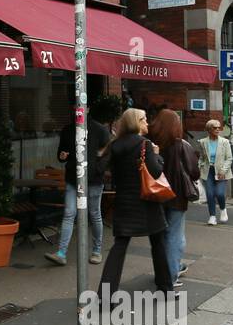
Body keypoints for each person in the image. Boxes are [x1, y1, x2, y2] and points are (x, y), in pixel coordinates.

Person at [96, 108, 173, 298]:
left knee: (119, 247)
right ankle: (165, 289)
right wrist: (157, 155)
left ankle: (106, 297)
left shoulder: (115, 145)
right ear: (136, 123)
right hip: (147, 204)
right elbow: (155, 172)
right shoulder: (145, 144)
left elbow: (99, 168)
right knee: (158, 243)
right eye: (144, 119)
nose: (147, 122)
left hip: (124, 203)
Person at [45, 115, 111, 267]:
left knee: (94, 214)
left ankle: (96, 251)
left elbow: (108, 154)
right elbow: (61, 154)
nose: (76, 109)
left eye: (79, 106)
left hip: (93, 180)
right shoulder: (68, 130)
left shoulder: (100, 130)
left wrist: (98, 169)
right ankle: (61, 253)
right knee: (69, 213)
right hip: (73, 180)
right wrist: (62, 156)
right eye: (73, 106)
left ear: (88, 107)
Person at [156, 109, 199, 285]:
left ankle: (167, 270)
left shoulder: (152, 144)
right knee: (175, 236)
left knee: (162, 235)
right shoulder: (182, 145)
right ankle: (172, 275)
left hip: (156, 196)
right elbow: (194, 172)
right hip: (177, 197)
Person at [201, 119, 233, 225]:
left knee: (219, 193)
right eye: (214, 127)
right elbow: (202, 158)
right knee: (210, 194)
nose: (217, 129)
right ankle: (212, 216)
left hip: (221, 171)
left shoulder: (225, 142)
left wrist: (223, 171)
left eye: (218, 127)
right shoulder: (203, 142)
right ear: (208, 129)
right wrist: (200, 167)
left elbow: (229, 158)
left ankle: (223, 209)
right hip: (208, 171)